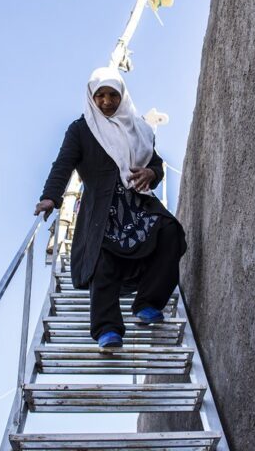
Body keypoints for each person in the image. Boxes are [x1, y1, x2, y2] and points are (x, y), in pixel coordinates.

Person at [34, 66, 187, 350]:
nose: (106, 102)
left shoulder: (137, 128)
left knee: (170, 233)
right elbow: (63, 164)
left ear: (122, 96)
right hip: (101, 209)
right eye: (100, 95)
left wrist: (152, 174)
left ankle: (148, 303)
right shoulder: (80, 130)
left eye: (113, 95)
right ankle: (107, 329)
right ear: (92, 97)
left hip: (137, 202)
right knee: (103, 259)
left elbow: (155, 162)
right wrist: (50, 198)